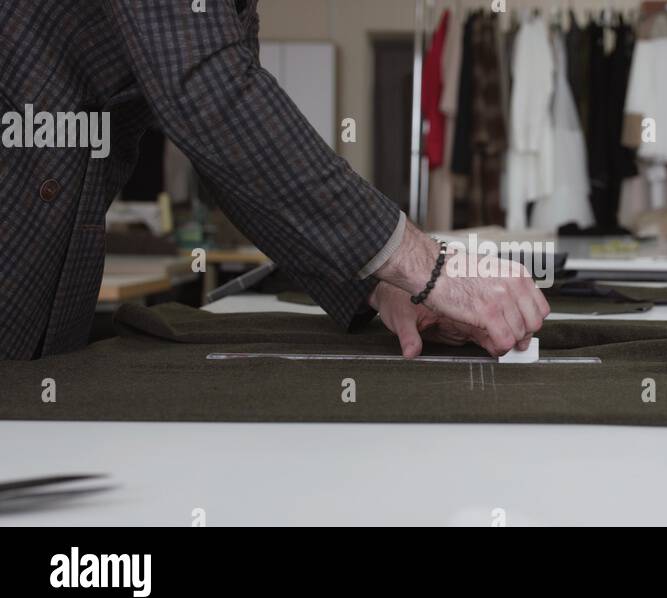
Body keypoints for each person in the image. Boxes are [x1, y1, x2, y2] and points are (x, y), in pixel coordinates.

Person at [0, 0, 548, 361]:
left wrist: (380, 287)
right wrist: (428, 267)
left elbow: (231, 160)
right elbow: (210, 92)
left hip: (57, 252)